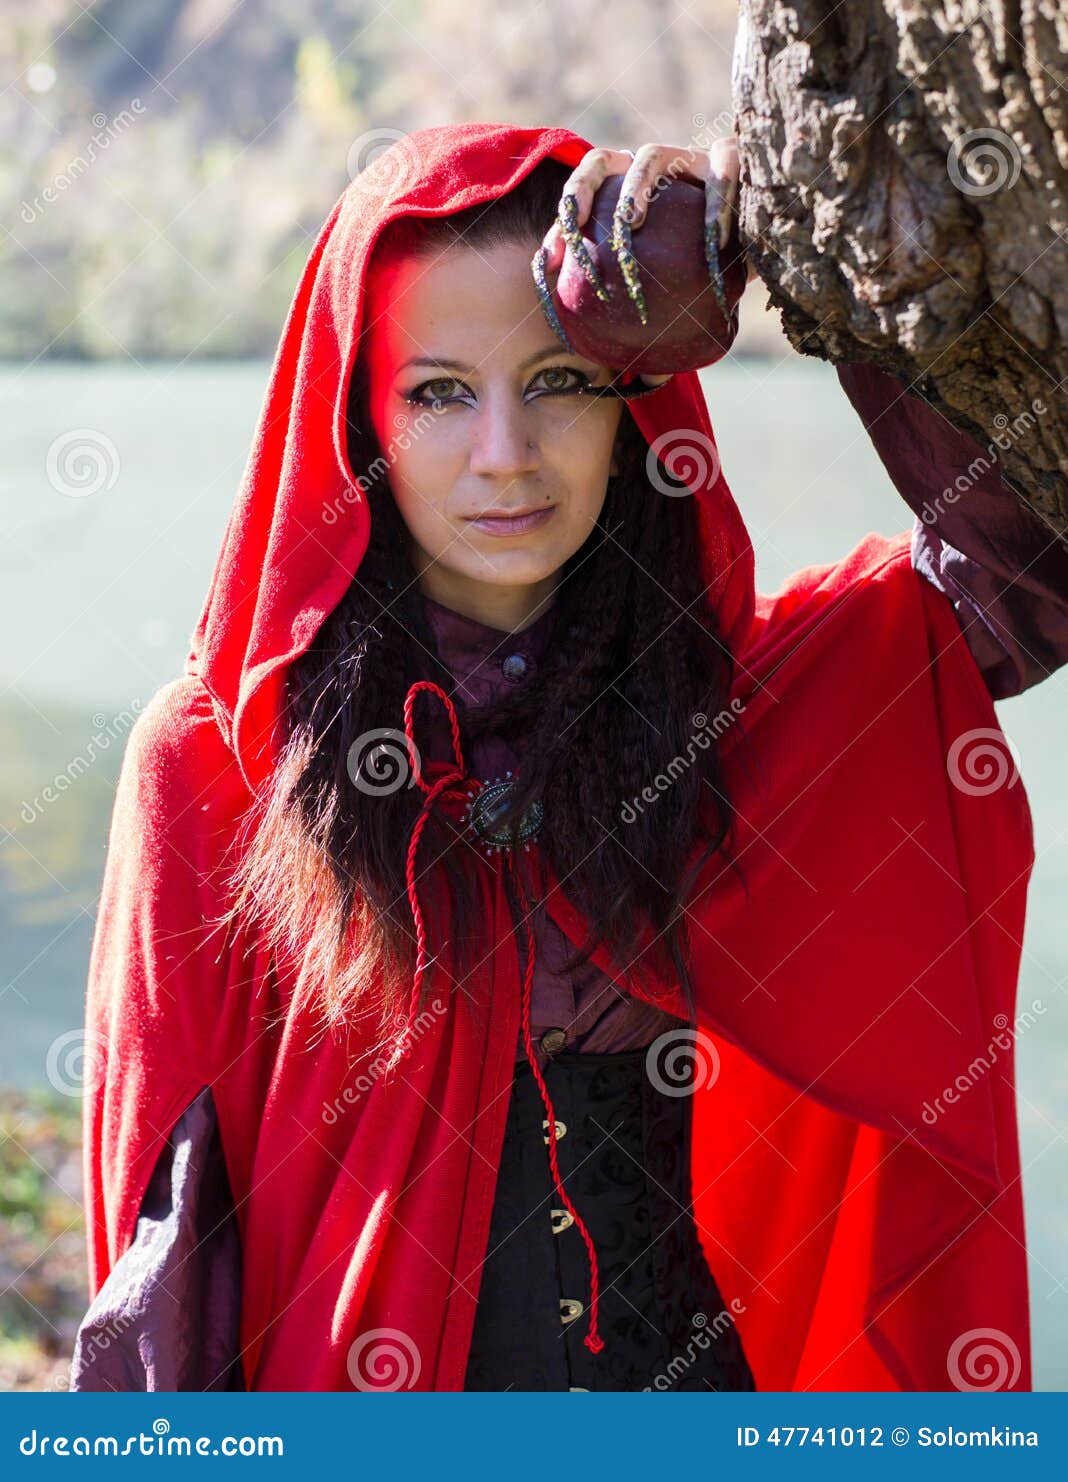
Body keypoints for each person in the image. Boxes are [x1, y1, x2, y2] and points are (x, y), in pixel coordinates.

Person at [71, 122, 1068, 1393]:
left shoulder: (736, 709)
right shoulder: (219, 765)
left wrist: (807, 239)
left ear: (636, 408)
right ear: (356, 420)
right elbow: (163, 1268)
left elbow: (1024, 575)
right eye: (439, 393)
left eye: (560, 380)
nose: (506, 453)